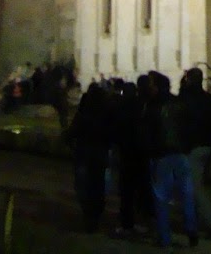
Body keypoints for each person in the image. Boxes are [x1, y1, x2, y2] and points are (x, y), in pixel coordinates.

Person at [144, 71, 199, 249]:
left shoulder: (152, 106)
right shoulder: (180, 103)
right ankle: (191, 228)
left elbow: (147, 133)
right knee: (187, 193)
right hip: (181, 153)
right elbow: (190, 127)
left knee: (161, 198)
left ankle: (165, 237)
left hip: (161, 155)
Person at [179, 68, 211, 236]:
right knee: (198, 182)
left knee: (194, 186)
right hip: (207, 146)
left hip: (192, 147)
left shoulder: (185, 99)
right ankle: (196, 218)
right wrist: (209, 138)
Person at [66, 81, 114, 233]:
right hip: (99, 155)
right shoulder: (106, 114)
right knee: (97, 185)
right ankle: (95, 215)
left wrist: (69, 142)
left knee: (83, 186)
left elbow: (72, 132)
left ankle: (89, 215)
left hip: (84, 154)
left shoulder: (84, 113)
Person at [114, 77, 151, 234]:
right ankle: (145, 221)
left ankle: (127, 223)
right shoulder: (142, 106)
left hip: (127, 152)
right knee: (142, 188)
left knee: (127, 191)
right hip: (141, 152)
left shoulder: (120, 107)